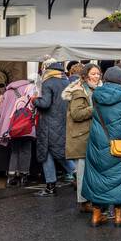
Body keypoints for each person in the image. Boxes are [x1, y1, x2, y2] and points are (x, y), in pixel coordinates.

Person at [81, 67, 121, 227]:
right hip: (119, 144)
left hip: (97, 143)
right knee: (118, 180)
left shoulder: (96, 95)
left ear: (105, 79)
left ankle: (96, 215)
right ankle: (118, 216)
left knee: (97, 178)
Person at [65, 63, 102, 209]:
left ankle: (89, 199)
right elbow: (77, 114)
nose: (96, 77)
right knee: (82, 171)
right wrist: (95, 109)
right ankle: (84, 201)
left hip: (91, 135)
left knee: (90, 170)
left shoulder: (95, 90)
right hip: (81, 136)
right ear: (85, 76)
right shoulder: (79, 92)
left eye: (98, 74)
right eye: (93, 74)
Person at [33, 62, 72, 197]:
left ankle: (51, 186)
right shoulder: (66, 82)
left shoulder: (48, 82)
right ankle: (76, 176)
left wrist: (34, 100)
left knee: (48, 154)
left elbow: (45, 103)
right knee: (57, 153)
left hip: (49, 124)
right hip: (63, 122)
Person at [0, 77, 37, 188]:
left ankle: (11, 177)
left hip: (12, 126)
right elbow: (35, 105)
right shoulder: (30, 87)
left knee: (15, 151)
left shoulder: (8, 92)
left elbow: (2, 110)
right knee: (26, 150)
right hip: (26, 124)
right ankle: (24, 176)